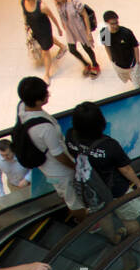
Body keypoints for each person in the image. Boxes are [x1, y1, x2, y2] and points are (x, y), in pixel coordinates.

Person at [65, 101, 140, 245]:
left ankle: (113, 239)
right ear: (100, 122)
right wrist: (139, 184)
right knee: (128, 218)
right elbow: (125, 169)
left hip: (92, 190)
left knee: (103, 217)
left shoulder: (71, 136)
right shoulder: (109, 145)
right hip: (116, 190)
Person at [15, 77, 87, 219]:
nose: (48, 95)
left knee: (64, 193)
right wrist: (75, 166)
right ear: (37, 101)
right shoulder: (45, 129)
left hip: (48, 169)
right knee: (73, 201)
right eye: (45, 94)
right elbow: (59, 155)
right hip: (60, 172)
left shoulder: (22, 107)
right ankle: (85, 223)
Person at [48, 0, 100, 76]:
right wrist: (62, 25)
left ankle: (95, 65)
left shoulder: (74, 0)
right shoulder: (56, 2)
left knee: (87, 48)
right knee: (72, 49)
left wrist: (88, 32)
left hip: (80, 28)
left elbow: (85, 15)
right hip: (70, 29)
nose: (58, 0)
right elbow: (61, 14)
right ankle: (86, 64)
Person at [22, 0, 67, 83]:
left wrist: (58, 28)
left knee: (45, 51)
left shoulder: (42, 7)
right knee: (48, 39)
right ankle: (62, 46)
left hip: (44, 29)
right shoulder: (22, 1)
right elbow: (24, 13)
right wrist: (26, 24)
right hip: (33, 28)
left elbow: (52, 17)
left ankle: (47, 74)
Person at [100, 11, 140, 86]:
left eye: (116, 22)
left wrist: (137, 62)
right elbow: (106, 46)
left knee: (138, 82)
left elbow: (135, 46)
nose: (115, 25)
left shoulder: (126, 33)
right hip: (118, 64)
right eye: (112, 24)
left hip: (131, 63)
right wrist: (111, 59)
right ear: (106, 23)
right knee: (128, 78)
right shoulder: (105, 33)